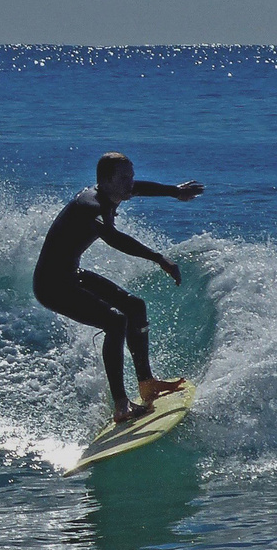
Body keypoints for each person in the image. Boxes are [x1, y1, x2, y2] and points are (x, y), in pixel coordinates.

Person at [34, 152, 204, 424]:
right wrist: (159, 258)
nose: (131, 184)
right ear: (105, 180)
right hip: (51, 285)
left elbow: (141, 188)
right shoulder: (90, 206)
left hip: (70, 274)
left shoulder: (112, 192)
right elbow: (114, 238)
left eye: (131, 176)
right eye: (124, 178)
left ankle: (147, 383)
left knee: (135, 307)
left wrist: (175, 192)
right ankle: (121, 405)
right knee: (115, 322)